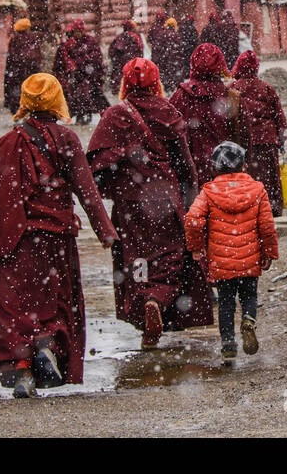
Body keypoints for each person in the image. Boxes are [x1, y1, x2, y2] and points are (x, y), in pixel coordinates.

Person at [0, 72, 118, 398]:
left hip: (16, 240)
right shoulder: (67, 139)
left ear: (25, 102)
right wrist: (105, 231)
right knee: (53, 302)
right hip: (56, 238)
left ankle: (21, 368)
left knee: (15, 307)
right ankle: (46, 345)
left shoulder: (7, 142)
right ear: (57, 100)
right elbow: (86, 190)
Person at [86, 58, 214, 348]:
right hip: (165, 199)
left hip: (131, 204)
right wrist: (190, 200)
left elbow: (95, 163)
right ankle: (158, 297)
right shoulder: (167, 111)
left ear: (124, 83)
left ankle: (144, 301)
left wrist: (115, 185)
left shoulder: (114, 115)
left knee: (137, 259)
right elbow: (185, 163)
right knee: (170, 257)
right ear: (156, 83)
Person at [183, 140, 278, 360]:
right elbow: (266, 225)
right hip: (249, 258)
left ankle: (228, 346)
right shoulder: (257, 189)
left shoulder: (209, 192)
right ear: (244, 165)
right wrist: (269, 253)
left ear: (215, 167)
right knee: (249, 296)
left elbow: (193, 220)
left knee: (225, 302)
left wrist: (196, 247)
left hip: (221, 260)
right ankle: (248, 319)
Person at [170, 43, 245, 188]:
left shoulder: (181, 96)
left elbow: (172, 134)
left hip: (191, 172)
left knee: (196, 209)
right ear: (221, 65)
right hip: (225, 172)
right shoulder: (231, 97)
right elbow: (243, 136)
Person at [229, 50, 287, 219]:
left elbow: (229, 118)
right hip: (267, 140)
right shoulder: (267, 89)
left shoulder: (232, 90)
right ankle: (271, 209)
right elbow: (280, 118)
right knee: (269, 177)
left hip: (242, 142)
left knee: (248, 178)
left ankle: (249, 210)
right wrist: (282, 141)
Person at [53, 20, 108, 124]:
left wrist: (91, 71)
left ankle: (87, 115)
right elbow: (63, 59)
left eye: (79, 31)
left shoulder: (90, 42)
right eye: (75, 31)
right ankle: (80, 115)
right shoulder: (69, 43)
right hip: (76, 76)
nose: (77, 34)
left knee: (87, 96)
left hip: (88, 75)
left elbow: (95, 58)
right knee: (76, 97)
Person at [4, 18, 41, 113]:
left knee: (16, 90)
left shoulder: (14, 40)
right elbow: (37, 55)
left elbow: (11, 56)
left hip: (16, 71)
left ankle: (16, 110)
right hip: (30, 71)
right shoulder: (33, 39)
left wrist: (11, 68)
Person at [149, 13, 186, 89]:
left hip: (163, 58)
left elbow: (154, 43)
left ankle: (166, 87)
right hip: (174, 60)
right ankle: (172, 87)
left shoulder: (160, 33)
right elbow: (181, 49)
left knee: (164, 74)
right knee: (173, 74)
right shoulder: (177, 35)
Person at [107, 20, 144, 95]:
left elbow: (112, 51)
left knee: (119, 83)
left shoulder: (120, 37)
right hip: (132, 65)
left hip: (120, 65)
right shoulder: (136, 37)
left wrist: (115, 60)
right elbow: (140, 50)